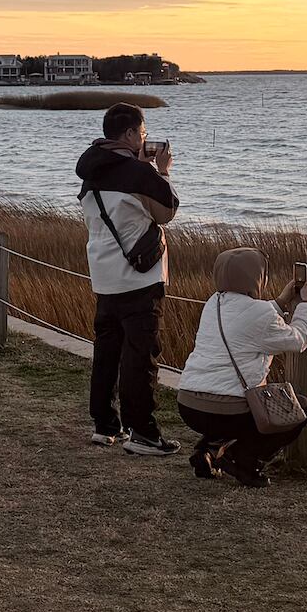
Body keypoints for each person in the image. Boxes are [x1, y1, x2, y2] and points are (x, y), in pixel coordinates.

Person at [75, 101, 180, 455]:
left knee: (107, 353)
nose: (145, 139)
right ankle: (145, 434)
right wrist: (161, 171)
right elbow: (167, 210)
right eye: (144, 132)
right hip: (139, 278)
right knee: (140, 356)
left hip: (103, 275)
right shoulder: (139, 174)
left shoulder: (91, 171)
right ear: (132, 133)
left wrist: (142, 167)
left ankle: (105, 425)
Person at [175, 247, 307, 488]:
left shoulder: (213, 303)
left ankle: (207, 451)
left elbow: (246, 317)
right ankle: (243, 460)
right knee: (299, 408)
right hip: (228, 412)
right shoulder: (260, 313)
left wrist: (280, 302)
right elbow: (298, 340)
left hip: (189, 405)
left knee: (224, 402)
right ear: (257, 278)